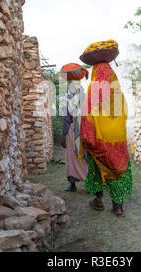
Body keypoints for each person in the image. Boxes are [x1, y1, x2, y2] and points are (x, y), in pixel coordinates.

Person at [79, 40, 132, 217]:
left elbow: (86, 116)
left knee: (97, 168)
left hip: (99, 138)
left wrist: (87, 137)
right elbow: (124, 112)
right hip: (117, 137)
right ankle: (117, 206)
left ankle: (99, 200)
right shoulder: (117, 91)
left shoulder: (94, 89)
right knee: (118, 168)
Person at [60, 63, 89, 192]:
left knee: (72, 158)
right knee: (84, 157)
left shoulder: (68, 97)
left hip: (72, 130)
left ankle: (73, 185)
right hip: (84, 129)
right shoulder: (84, 95)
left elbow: (66, 119)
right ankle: (91, 183)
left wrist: (63, 137)